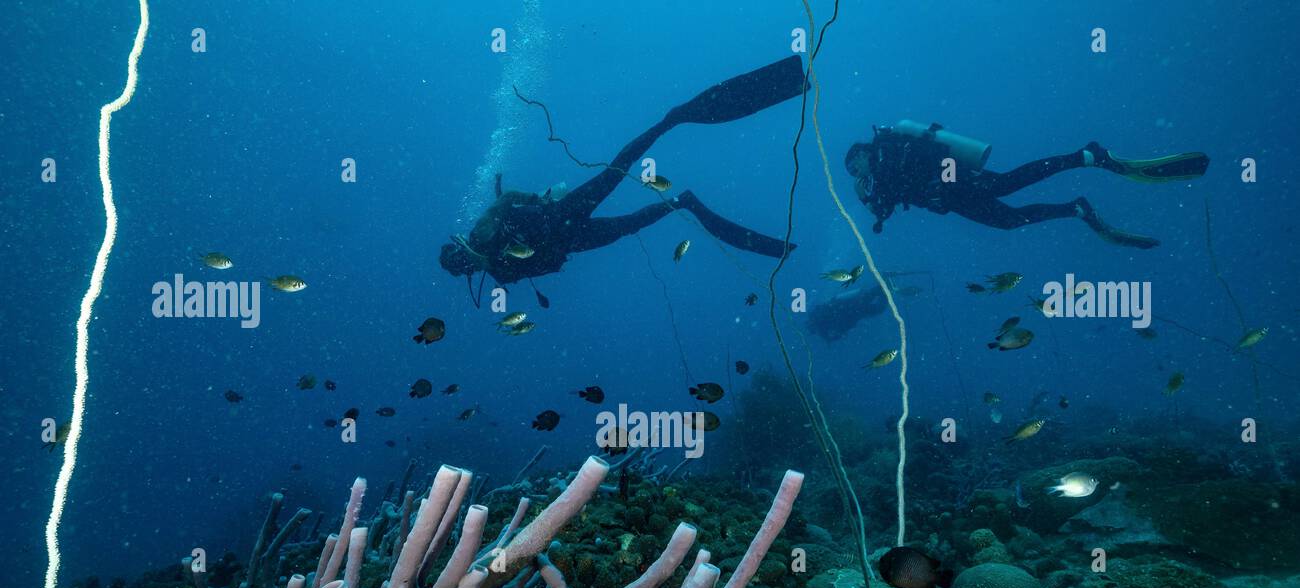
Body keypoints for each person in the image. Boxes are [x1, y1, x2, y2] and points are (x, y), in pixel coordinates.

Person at [439, 56, 806, 297]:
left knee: (618, 169)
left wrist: (538, 201)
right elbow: (543, 267)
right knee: (629, 223)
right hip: (573, 240)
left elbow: (504, 200)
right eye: (462, 268)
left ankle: (671, 120)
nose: (466, 263)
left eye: (461, 258)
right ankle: (682, 201)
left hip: (561, 212)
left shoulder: (482, 232)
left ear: (461, 249)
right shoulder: (501, 275)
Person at [845, 121, 1209, 249]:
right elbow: (884, 215)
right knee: (1007, 222)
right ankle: (1076, 209)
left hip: (953, 181)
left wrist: (945, 183)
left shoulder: (889, 148)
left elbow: (935, 154)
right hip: (951, 201)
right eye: (852, 173)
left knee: (1004, 184)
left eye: (854, 164)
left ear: (862, 152)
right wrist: (865, 200)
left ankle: (1087, 155)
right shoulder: (879, 181)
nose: (857, 172)